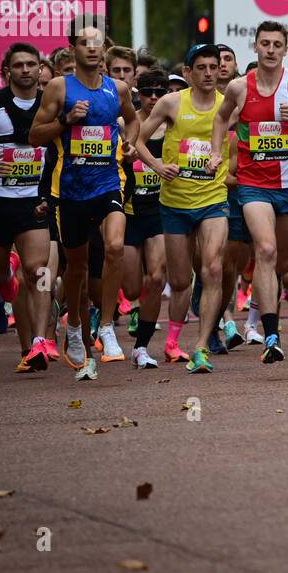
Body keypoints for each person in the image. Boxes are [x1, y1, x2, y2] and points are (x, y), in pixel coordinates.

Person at [29, 15, 142, 381]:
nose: (92, 49)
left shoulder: (118, 89)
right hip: (69, 191)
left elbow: (133, 120)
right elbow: (35, 135)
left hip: (109, 182)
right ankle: (75, 325)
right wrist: (66, 120)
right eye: (84, 42)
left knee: (115, 246)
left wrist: (129, 142)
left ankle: (106, 326)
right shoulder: (59, 88)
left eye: (97, 42)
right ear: (72, 48)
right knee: (75, 269)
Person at [210, 22, 288, 365]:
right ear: (256, 47)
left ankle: (264, 297)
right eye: (265, 44)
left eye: (277, 44)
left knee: (284, 266)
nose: (271, 50)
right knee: (265, 249)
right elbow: (220, 119)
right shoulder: (239, 87)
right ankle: (272, 335)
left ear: (286, 49)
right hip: (253, 184)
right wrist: (216, 152)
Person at [137, 44, 231, 374]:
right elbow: (137, 139)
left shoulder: (228, 104)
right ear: (188, 73)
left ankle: (201, 346)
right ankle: (172, 342)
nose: (208, 73)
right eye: (201, 68)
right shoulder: (172, 103)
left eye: (213, 67)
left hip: (213, 199)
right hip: (175, 203)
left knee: (213, 269)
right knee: (179, 282)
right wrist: (157, 165)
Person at [0, 42, 53, 373]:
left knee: (39, 270)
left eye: (31, 64)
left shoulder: (50, 103)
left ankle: (39, 341)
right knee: (0, 277)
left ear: (40, 69)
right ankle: (8, 285)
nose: (25, 70)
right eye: (18, 65)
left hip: (34, 203)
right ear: (6, 72)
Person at [121, 69, 168, 368]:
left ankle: (141, 346)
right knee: (131, 289)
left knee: (157, 277)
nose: (153, 98)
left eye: (159, 92)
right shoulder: (126, 124)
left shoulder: (174, 126)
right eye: (147, 92)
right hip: (128, 212)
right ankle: (130, 309)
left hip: (159, 212)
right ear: (137, 92)